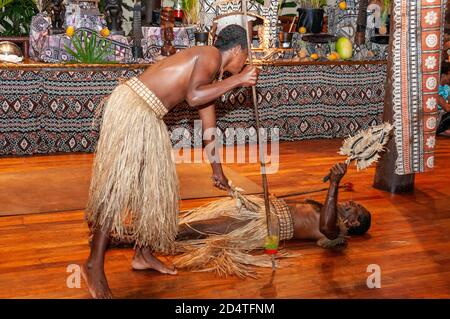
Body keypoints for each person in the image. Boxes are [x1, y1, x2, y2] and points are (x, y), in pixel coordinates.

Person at [83, 24, 259, 298]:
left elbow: (208, 129)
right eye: (245, 57)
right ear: (236, 50)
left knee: (154, 187)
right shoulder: (210, 54)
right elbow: (193, 97)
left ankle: (142, 254)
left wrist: (218, 171)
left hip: (148, 115)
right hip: (134, 109)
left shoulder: (210, 77)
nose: (244, 63)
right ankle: (93, 264)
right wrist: (238, 80)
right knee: (120, 189)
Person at [171, 163, 372, 277]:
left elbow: (325, 227)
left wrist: (335, 183)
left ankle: (157, 236)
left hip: (265, 225)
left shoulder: (335, 230)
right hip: (261, 210)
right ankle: (159, 232)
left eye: (356, 207)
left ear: (354, 223)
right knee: (202, 221)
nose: (352, 202)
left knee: (206, 227)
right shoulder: (330, 209)